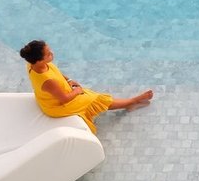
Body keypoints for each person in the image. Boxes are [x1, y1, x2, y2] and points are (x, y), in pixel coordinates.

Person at [19, 40, 153, 135]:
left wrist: (69, 80)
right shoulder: (47, 81)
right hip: (57, 106)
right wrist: (77, 90)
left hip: (56, 95)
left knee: (91, 95)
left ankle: (128, 102)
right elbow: (65, 99)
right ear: (39, 60)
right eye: (48, 54)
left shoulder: (32, 65)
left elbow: (56, 73)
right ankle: (131, 102)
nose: (52, 53)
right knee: (96, 99)